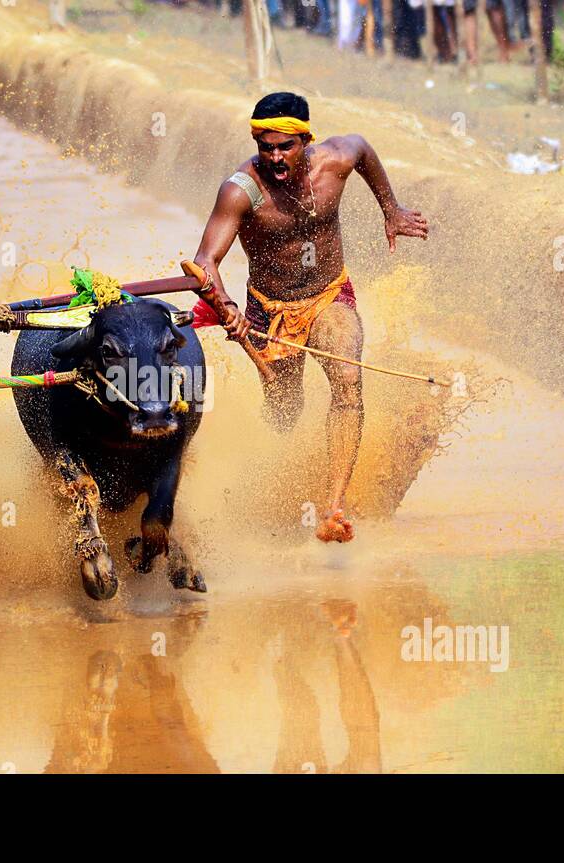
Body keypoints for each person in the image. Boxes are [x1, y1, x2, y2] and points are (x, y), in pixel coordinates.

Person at [190, 92, 428, 543]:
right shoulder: (241, 190)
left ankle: (333, 507)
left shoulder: (336, 160)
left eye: (286, 146)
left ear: (306, 140)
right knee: (285, 409)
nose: (276, 158)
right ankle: (262, 489)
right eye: (266, 147)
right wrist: (227, 309)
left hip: (329, 296)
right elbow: (205, 263)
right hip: (268, 311)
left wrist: (391, 210)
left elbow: (364, 149)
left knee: (347, 378)